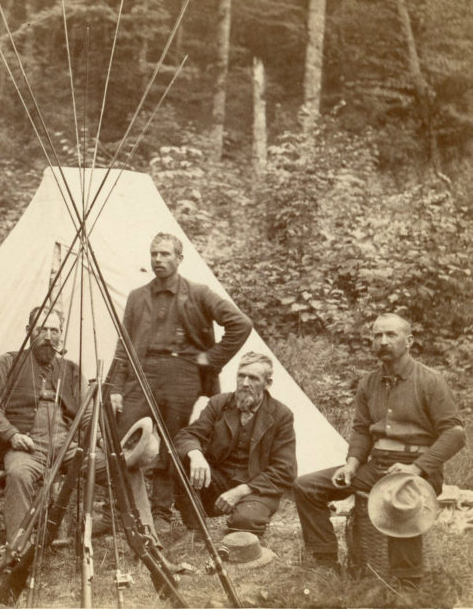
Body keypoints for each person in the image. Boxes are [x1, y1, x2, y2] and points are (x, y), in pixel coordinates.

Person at [293, 313, 465, 585]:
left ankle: (407, 585)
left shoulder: (430, 380)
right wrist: (351, 464)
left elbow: (455, 433)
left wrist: (416, 467)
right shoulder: (369, 383)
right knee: (307, 487)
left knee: (399, 499)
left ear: (409, 341)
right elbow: (362, 429)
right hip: (376, 466)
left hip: (417, 468)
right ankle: (326, 564)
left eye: (390, 335)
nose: (382, 341)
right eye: (377, 335)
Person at [107, 232, 252, 525]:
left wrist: (209, 359)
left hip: (182, 376)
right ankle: (121, 511)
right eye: (154, 254)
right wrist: (116, 387)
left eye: (165, 254)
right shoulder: (137, 296)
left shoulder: (199, 293)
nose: (158, 259)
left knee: (177, 443)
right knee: (123, 440)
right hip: (142, 374)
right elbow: (124, 344)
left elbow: (241, 323)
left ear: (179, 259)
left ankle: (167, 511)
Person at [0, 306, 105, 546]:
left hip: (68, 446)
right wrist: (12, 434)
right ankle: (18, 548)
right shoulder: (8, 363)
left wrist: (99, 439)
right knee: (18, 475)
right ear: (29, 332)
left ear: (61, 335)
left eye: (55, 330)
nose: (49, 337)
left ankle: (145, 536)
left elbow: (87, 412)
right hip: (27, 445)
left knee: (121, 465)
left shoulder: (71, 369)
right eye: (42, 329)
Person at [173, 352, 296, 535]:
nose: (245, 383)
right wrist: (195, 454)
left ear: (267, 383)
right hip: (218, 483)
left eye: (253, 378)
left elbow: (285, 469)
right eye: (241, 375)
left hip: (256, 489)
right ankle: (196, 530)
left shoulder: (281, 415)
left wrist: (240, 491)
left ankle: (243, 519)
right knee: (183, 458)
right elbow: (187, 435)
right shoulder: (219, 403)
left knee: (243, 524)